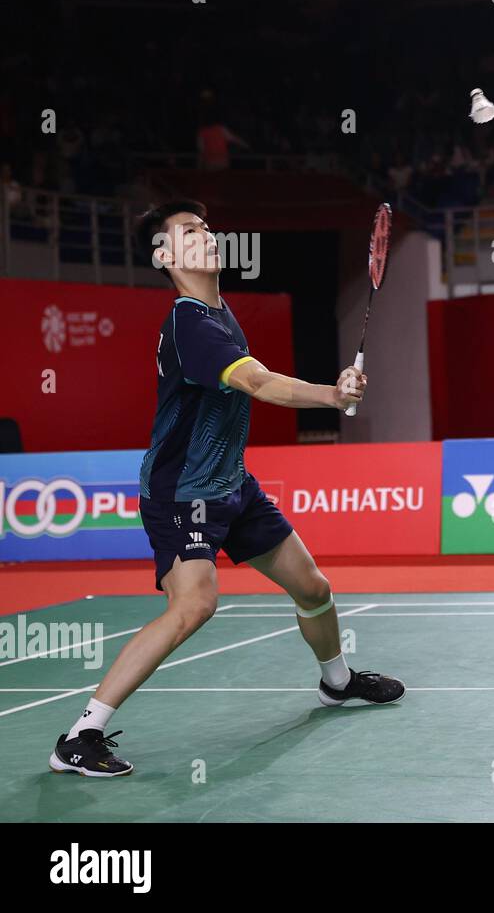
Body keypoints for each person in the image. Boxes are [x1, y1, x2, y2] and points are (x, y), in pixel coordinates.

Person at [49, 200, 405, 777]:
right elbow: (258, 382)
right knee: (194, 604)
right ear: (165, 257)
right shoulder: (190, 324)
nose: (209, 235)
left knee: (313, 587)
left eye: (209, 228)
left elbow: (255, 373)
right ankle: (80, 736)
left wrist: (329, 389)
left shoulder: (219, 314)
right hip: (181, 491)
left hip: (231, 485)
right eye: (191, 231)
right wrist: (332, 396)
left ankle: (336, 683)